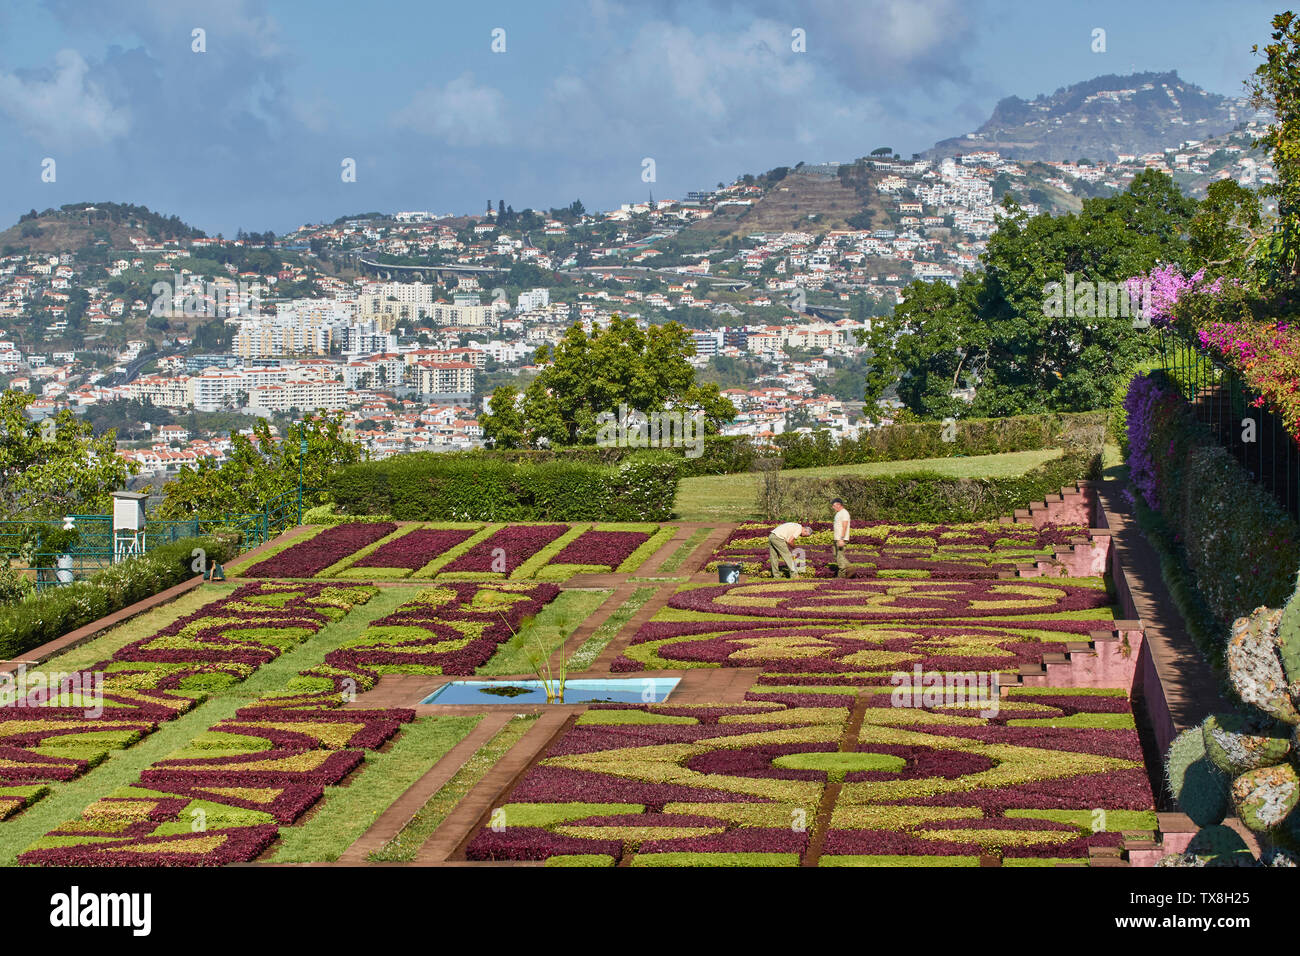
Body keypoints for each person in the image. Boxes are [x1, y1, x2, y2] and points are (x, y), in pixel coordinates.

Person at [831, 498, 851, 577]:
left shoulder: (844, 513)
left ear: (839, 504)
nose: (833, 507)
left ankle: (841, 576)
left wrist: (842, 539)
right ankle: (850, 567)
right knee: (836, 555)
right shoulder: (838, 513)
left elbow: (845, 526)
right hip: (837, 539)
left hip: (841, 539)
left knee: (840, 557)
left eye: (834, 505)